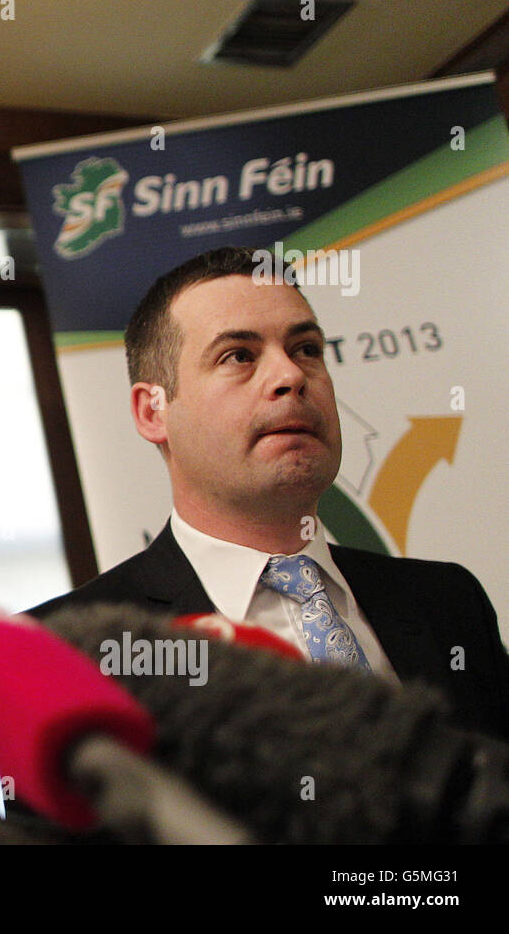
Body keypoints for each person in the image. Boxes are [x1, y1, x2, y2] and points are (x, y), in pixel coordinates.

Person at [31, 245, 509, 739]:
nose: (291, 376)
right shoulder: (71, 653)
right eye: (238, 356)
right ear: (154, 412)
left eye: (306, 349)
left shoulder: (449, 603)